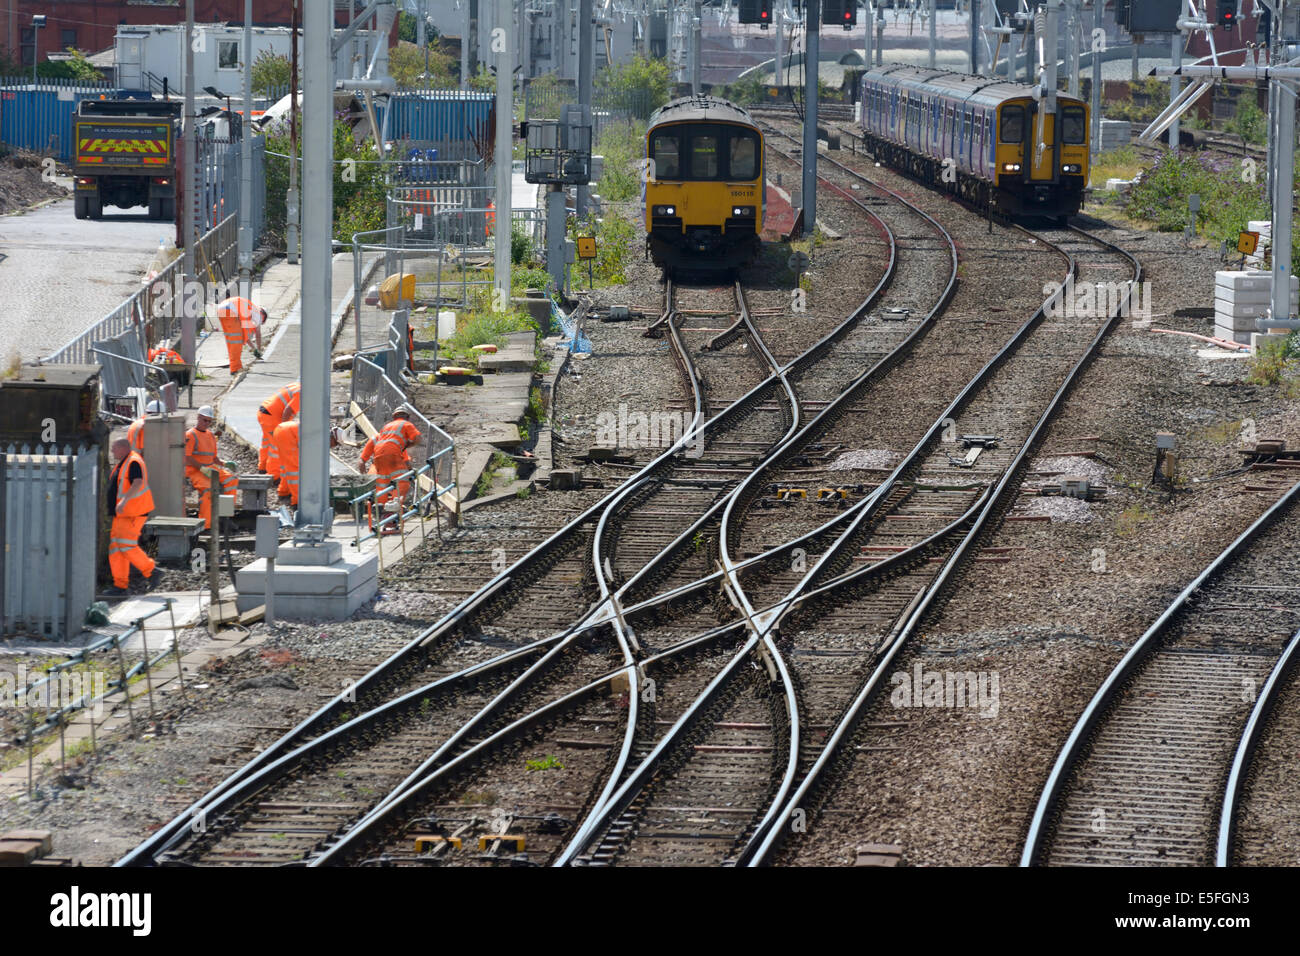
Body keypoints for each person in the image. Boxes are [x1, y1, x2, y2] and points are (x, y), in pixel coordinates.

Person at [105, 436, 156, 596]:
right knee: (116, 548)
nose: (112, 451)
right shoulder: (125, 462)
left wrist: (124, 502)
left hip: (132, 513)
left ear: (123, 448)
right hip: (123, 514)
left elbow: (138, 482)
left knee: (125, 545)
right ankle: (120, 585)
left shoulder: (133, 461)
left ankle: (152, 571)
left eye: (114, 448)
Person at [360, 405, 421, 529]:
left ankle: (382, 510)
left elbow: (361, 461)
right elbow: (418, 438)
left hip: (378, 460)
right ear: (407, 417)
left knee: (382, 485)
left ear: (394, 417)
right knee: (402, 482)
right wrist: (410, 444)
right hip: (392, 456)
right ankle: (393, 508)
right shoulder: (406, 425)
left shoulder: (385, 430)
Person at [184, 405, 238, 530]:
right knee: (208, 489)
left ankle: (226, 518)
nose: (207, 423)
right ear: (198, 417)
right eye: (204, 420)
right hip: (194, 470)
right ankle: (206, 526)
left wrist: (225, 464)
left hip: (210, 468)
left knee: (232, 480)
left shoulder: (210, 436)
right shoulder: (190, 435)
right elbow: (187, 458)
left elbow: (213, 458)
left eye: (209, 421)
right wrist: (202, 469)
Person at [214, 296, 266, 375]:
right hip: (230, 311)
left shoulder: (248, 311)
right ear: (263, 316)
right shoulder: (257, 314)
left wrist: (254, 349)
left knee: (231, 342)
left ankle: (234, 366)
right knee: (236, 343)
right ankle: (236, 368)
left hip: (221, 309)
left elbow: (244, 336)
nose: (259, 323)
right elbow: (258, 334)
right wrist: (259, 350)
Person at [256, 381, 301, 472]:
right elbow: (288, 412)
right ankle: (274, 474)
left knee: (267, 442)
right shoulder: (304, 394)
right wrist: (284, 430)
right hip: (272, 417)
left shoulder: (297, 385)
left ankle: (263, 467)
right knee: (277, 446)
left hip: (264, 412)